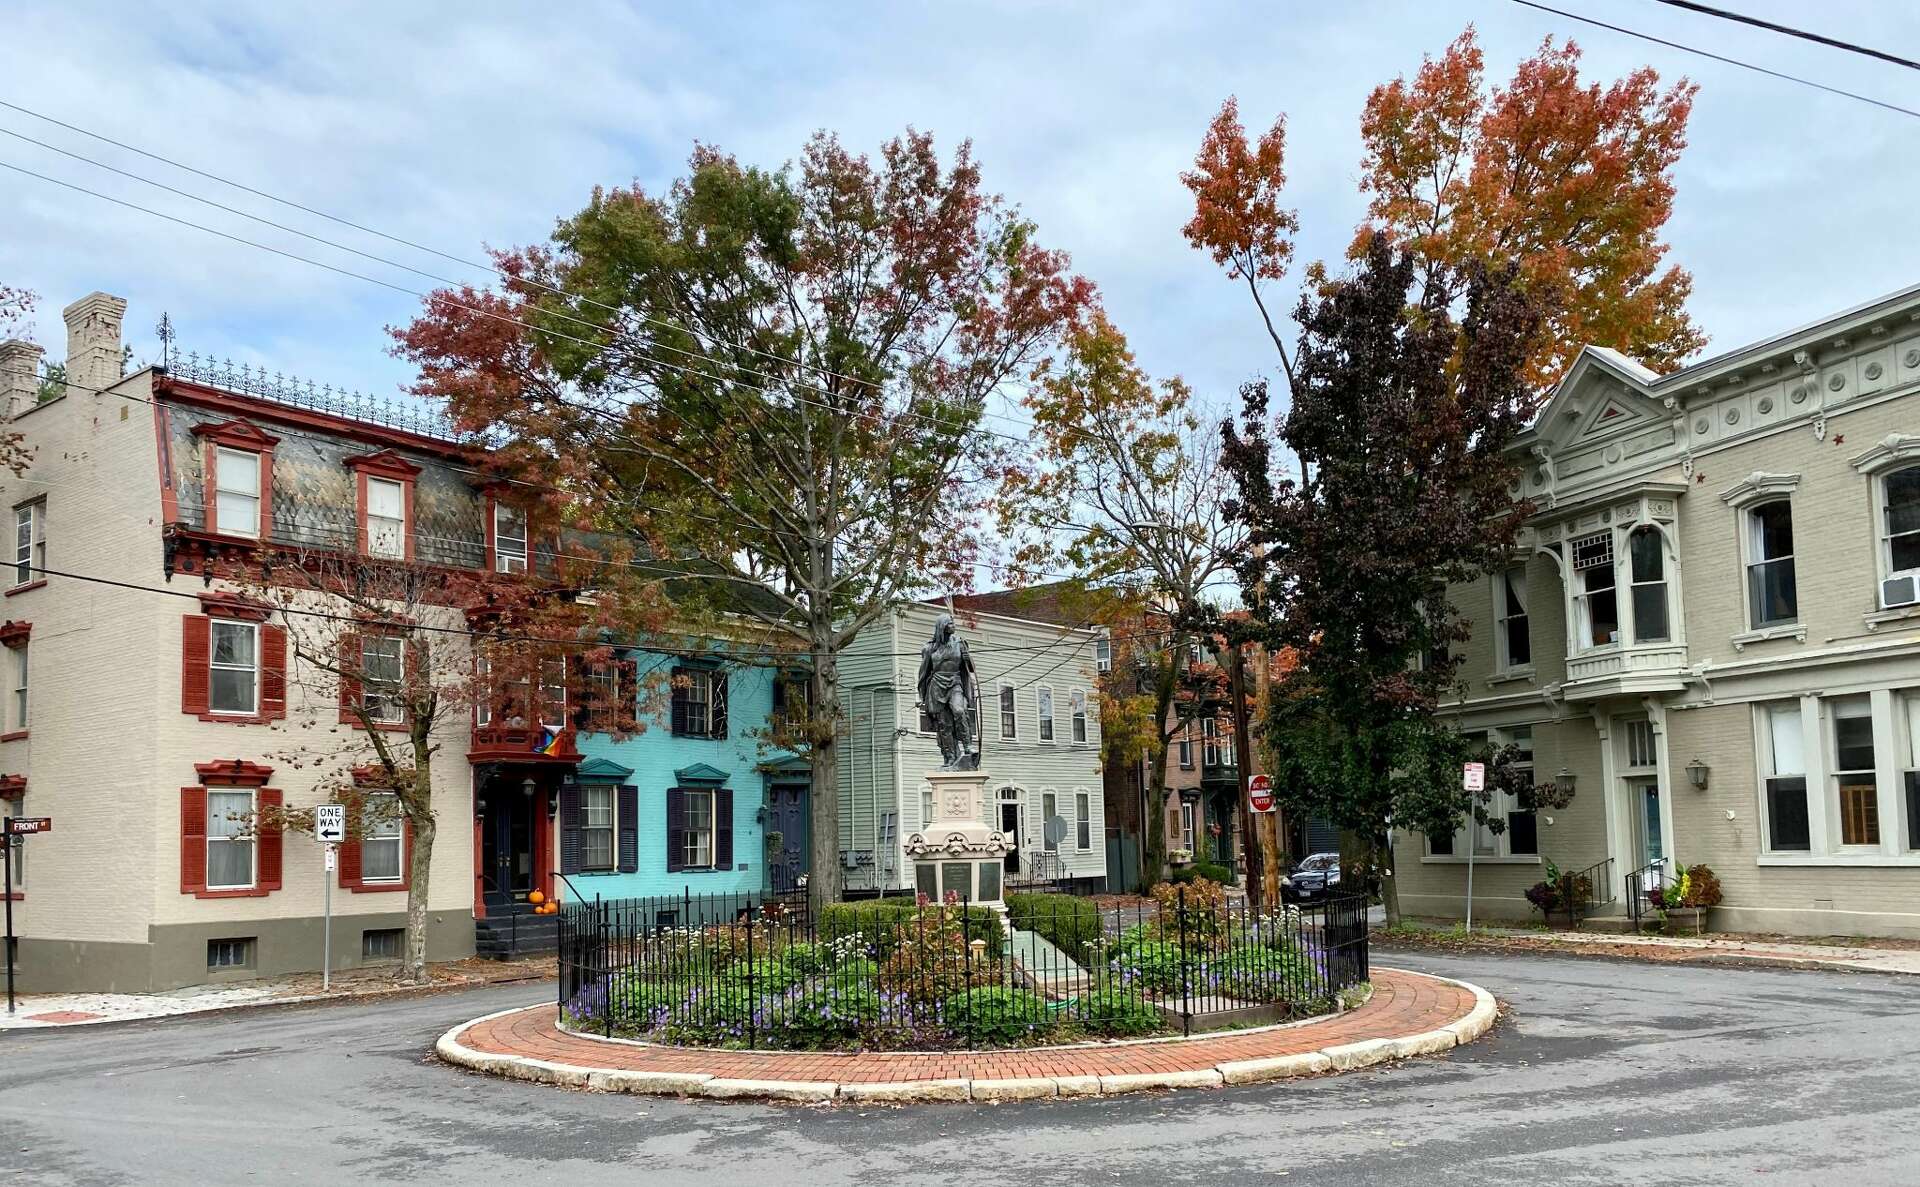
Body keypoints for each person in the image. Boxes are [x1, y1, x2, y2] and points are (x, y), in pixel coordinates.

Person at [917, 613, 979, 770]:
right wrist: (922, 696)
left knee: (959, 710)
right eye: (950, 623)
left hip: (955, 683)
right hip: (936, 686)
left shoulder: (960, 643)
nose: (954, 626)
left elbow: (970, 668)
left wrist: (967, 657)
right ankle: (950, 757)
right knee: (944, 725)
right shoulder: (929, 648)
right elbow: (923, 673)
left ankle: (968, 746)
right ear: (942, 627)